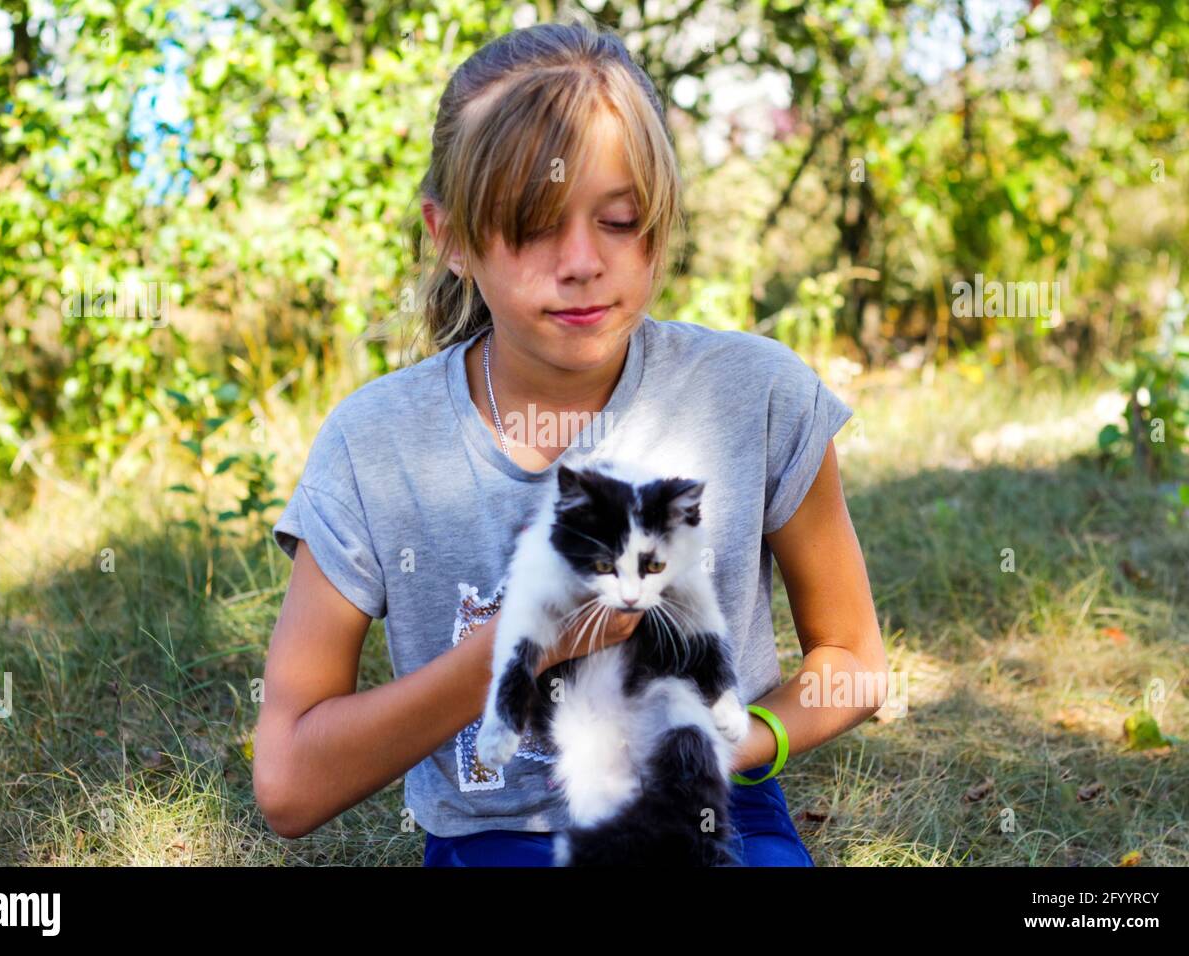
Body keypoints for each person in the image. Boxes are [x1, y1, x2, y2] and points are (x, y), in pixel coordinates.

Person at [253, 18, 886, 867]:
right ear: (451, 239)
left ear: (659, 222)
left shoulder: (754, 395)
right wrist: (522, 644)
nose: (583, 261)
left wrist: (734, 744)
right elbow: (290, 784)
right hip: (498, 844)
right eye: (535, 226)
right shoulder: (376, 446)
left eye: (619, 220)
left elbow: (853, 661)